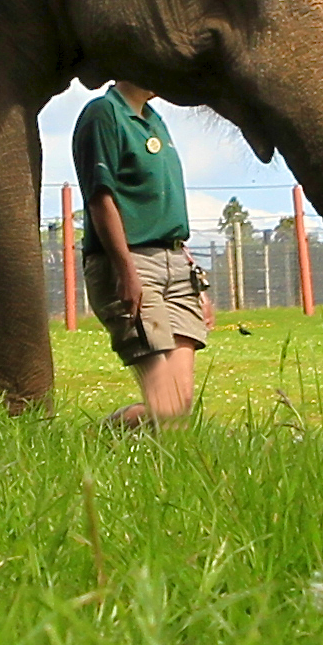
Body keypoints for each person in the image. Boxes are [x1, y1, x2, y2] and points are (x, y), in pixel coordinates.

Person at [68, 79, 209, 426]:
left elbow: (164, 206)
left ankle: (117, 449)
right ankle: (97, 440)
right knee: (164, 402)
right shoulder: (103, 114)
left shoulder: (154, 119)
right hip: (131, 262)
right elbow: (101, 198)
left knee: (178, 405)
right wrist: (126, 271)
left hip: (175, 264)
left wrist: (194, 280)